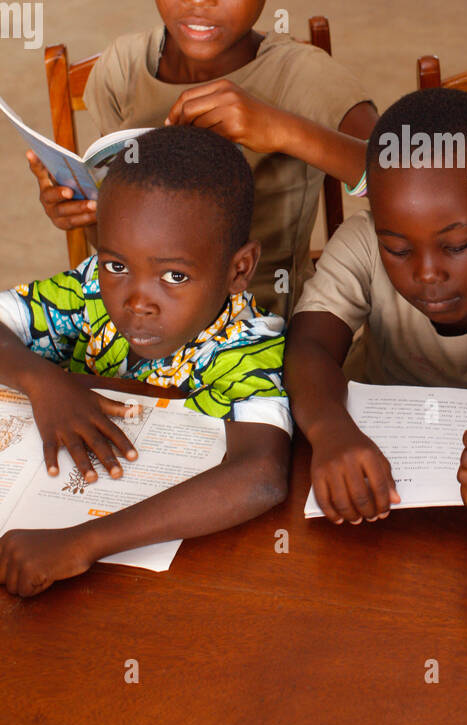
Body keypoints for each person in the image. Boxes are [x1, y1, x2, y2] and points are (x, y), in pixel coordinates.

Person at [26, 0, 376, 318]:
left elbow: (407, 178)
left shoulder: (301, 77)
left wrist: (280, 130)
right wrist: (83, 210)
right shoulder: (122, 69)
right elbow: (120, 234)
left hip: (261, 332)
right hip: (139, 321)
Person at [0, 127, 290, 597]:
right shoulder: (90, 289)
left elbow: (262, 477)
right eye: (117, 265)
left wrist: (84, 544)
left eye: (174, 275)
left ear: (239, 269)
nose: (138, 300)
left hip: (179, 578)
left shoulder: (246, 345)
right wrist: (43, 382)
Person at [285, 87, 467, 523]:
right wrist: (330, 431)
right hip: (387, 489)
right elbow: (308, 346)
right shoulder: (360, 243)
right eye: (399, 249)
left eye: (458, 245)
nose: (427, 273)